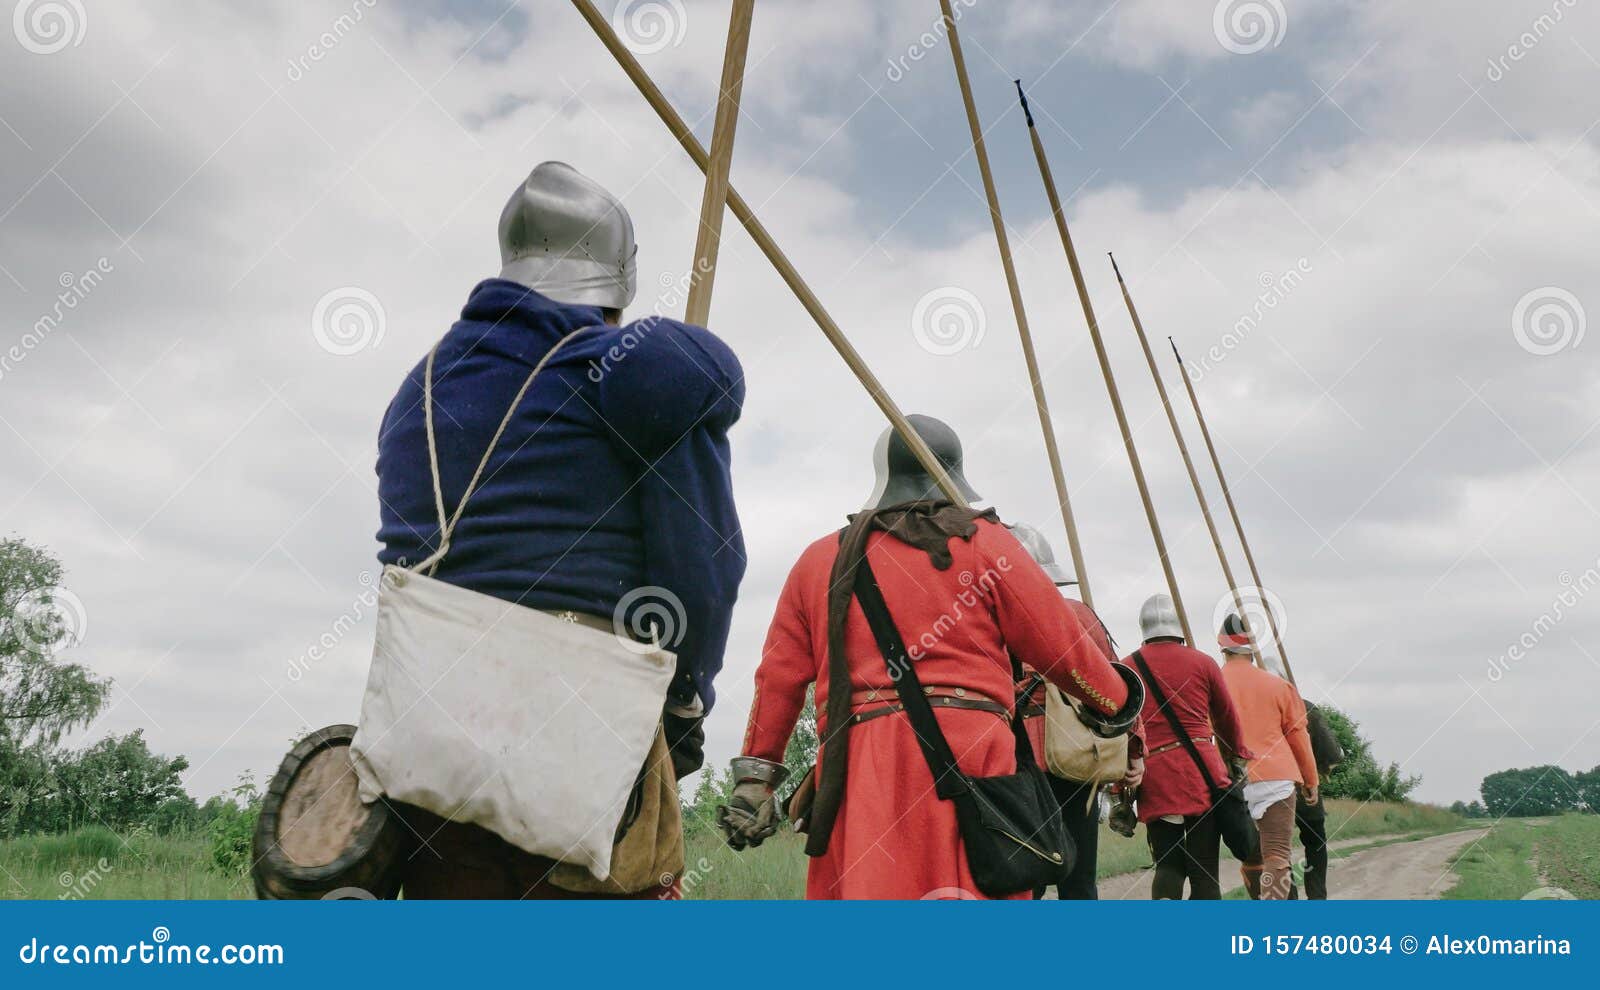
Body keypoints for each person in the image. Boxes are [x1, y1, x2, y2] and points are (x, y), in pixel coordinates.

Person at [373, 161, 746, 898]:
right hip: (582, 745)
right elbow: (705, 567)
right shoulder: (618, 374)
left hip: (429, 752)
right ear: (612, 290)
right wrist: (684, 697)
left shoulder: (410, 396)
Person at [716, 416, 1144, 899]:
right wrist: (1117, 699)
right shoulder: (987, 544)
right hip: (972, 758)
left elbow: (777, 679)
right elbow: (1064, 651)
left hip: (858, 764)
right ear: (954, 474)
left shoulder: (817, 562)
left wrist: (756, 779)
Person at [1009, 522, 1143, 900]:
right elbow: (1115, 689)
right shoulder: (1080, 616)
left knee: (1021, 881)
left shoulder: (985, 617)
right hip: (1075, 759)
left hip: (1010, 764)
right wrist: (1133, 751)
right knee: (1078, 883)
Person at [1125, 594, 1255, 899]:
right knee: (1204, 868)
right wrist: (1237, 754)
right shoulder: (1204, 662)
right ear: (1178, 625)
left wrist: (1120, 789)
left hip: (1154, 775)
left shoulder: (1126, 667)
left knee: (1168, 865)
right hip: (1202, 773)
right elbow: (1226, 718)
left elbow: (1122, 729)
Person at [1217, 614, 1319, 900]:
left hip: (1231, 780)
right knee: (1276, 855)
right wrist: (1310, 779)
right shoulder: (1278, 686)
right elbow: (1299, 736)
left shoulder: (1213, 684)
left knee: (1251, 856)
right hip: (1277, 777)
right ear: (1252, 648)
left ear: (1222, 648)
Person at [1291, 698, 1344, 899]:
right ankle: (1317, 897)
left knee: (1277, 849)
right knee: (1315, 843)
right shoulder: (1305, 707)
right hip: (1305, 786)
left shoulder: (1263, 705)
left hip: (1273, 784)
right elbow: (1331, 752)